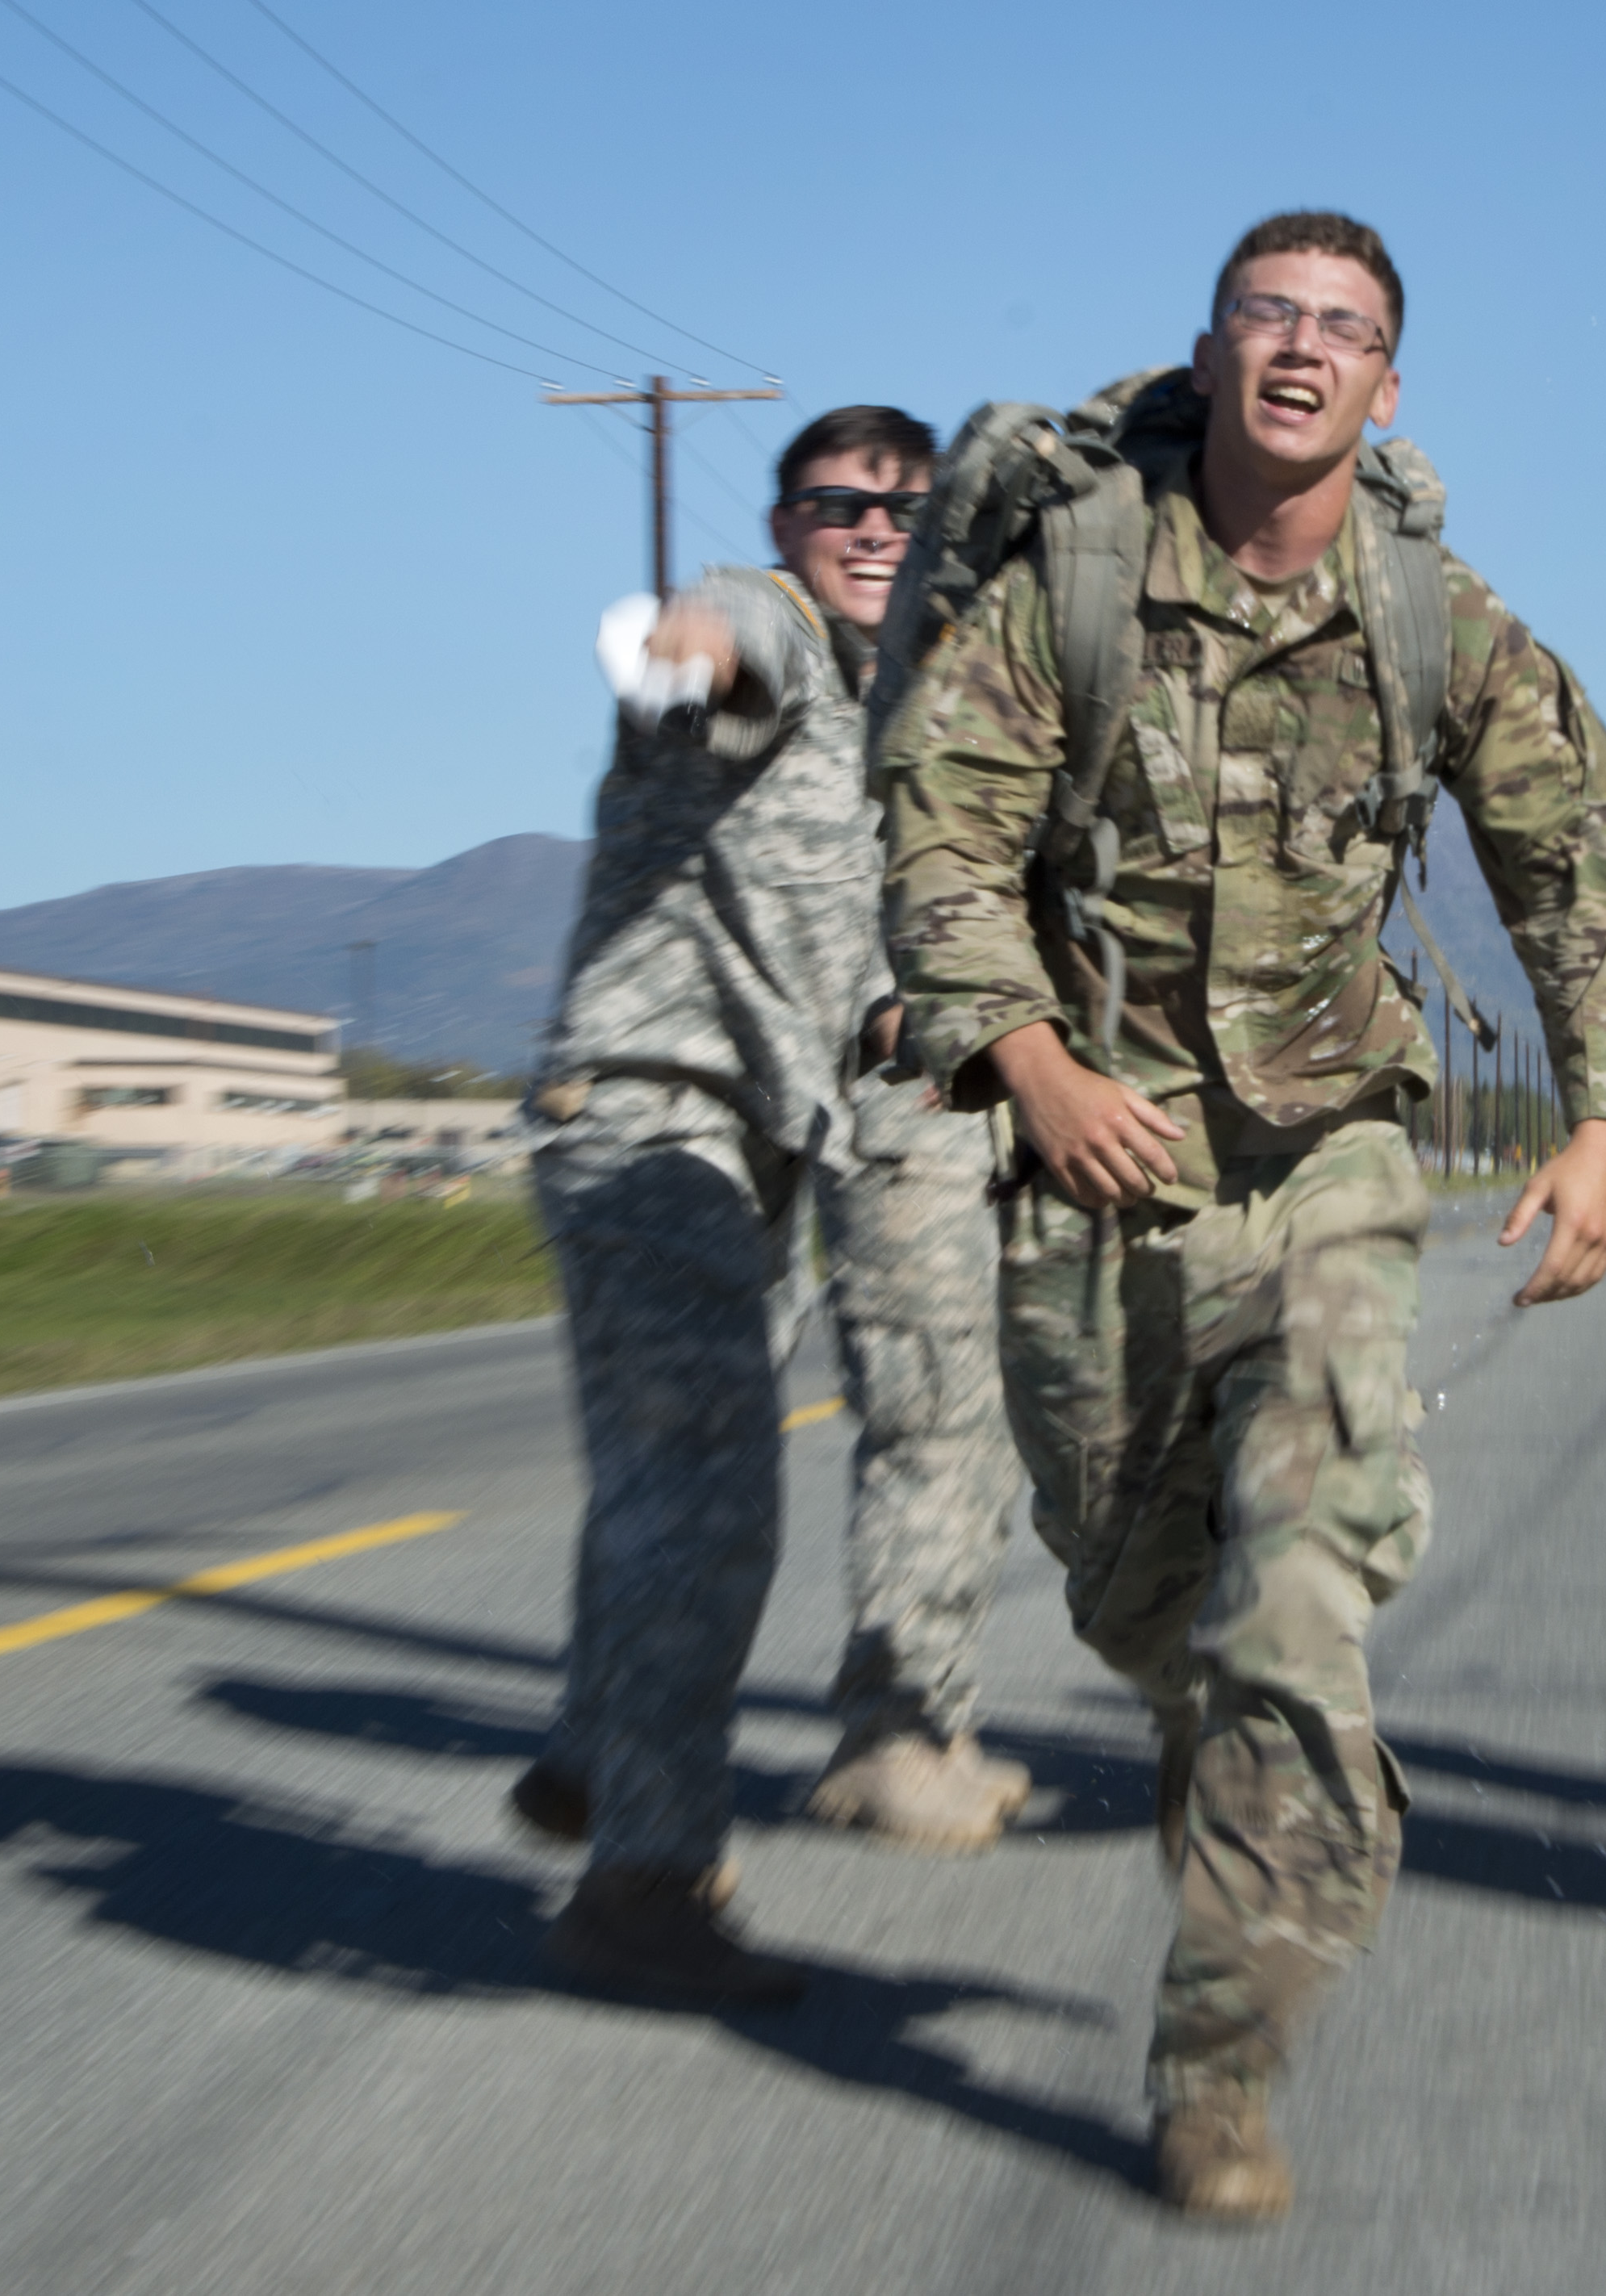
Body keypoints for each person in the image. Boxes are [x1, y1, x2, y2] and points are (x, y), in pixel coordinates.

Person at [874, 211, 1606, 2219]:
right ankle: (1247, 1765)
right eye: (1270, 316)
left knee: (1299, 1596)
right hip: (1098, 1164)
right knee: (1145, 1607)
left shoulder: (1430, 614)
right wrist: (1030, 1064)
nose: (1303, 351)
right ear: (1216, 347)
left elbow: (1566, 856)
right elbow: (940, 832)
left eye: (1345, 330)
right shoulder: (1069, 579)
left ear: (1384, 386)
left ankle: (1219, 2066)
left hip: (1330, 1156)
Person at [514, 404, 1027, 2003]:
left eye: (903, 509)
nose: (872, 531)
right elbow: (712, 651)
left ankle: (619, 1749)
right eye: (837, 504)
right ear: (785, 521)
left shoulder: (939, 706)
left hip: (806, 1100)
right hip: (656, 1107)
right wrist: (674, 641)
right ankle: (644, 1885)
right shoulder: (771, 630)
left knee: (764, 1449)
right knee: (704, 1481)